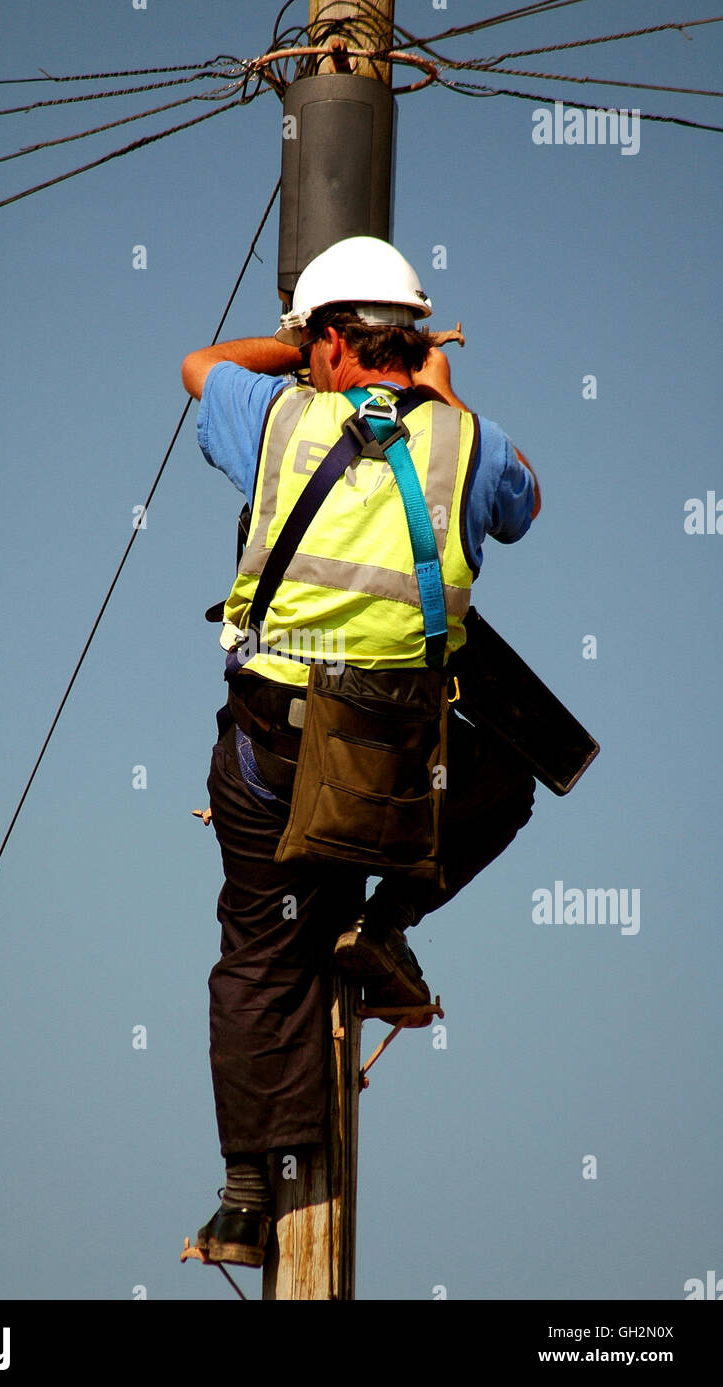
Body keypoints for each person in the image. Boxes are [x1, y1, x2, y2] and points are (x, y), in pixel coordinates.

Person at [181, 236, 540, 1268]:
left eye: (315, 340)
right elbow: (528, 506)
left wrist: (293, 352)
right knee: (505, 780)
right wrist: (448, 393)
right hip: (395, 759)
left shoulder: (279, 416)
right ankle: (383, 927)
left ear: (330, 343)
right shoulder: (465, 441)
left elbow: (200, 366)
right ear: (413, 339)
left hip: (272, 753)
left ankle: (248, 1196)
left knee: (261, 952)